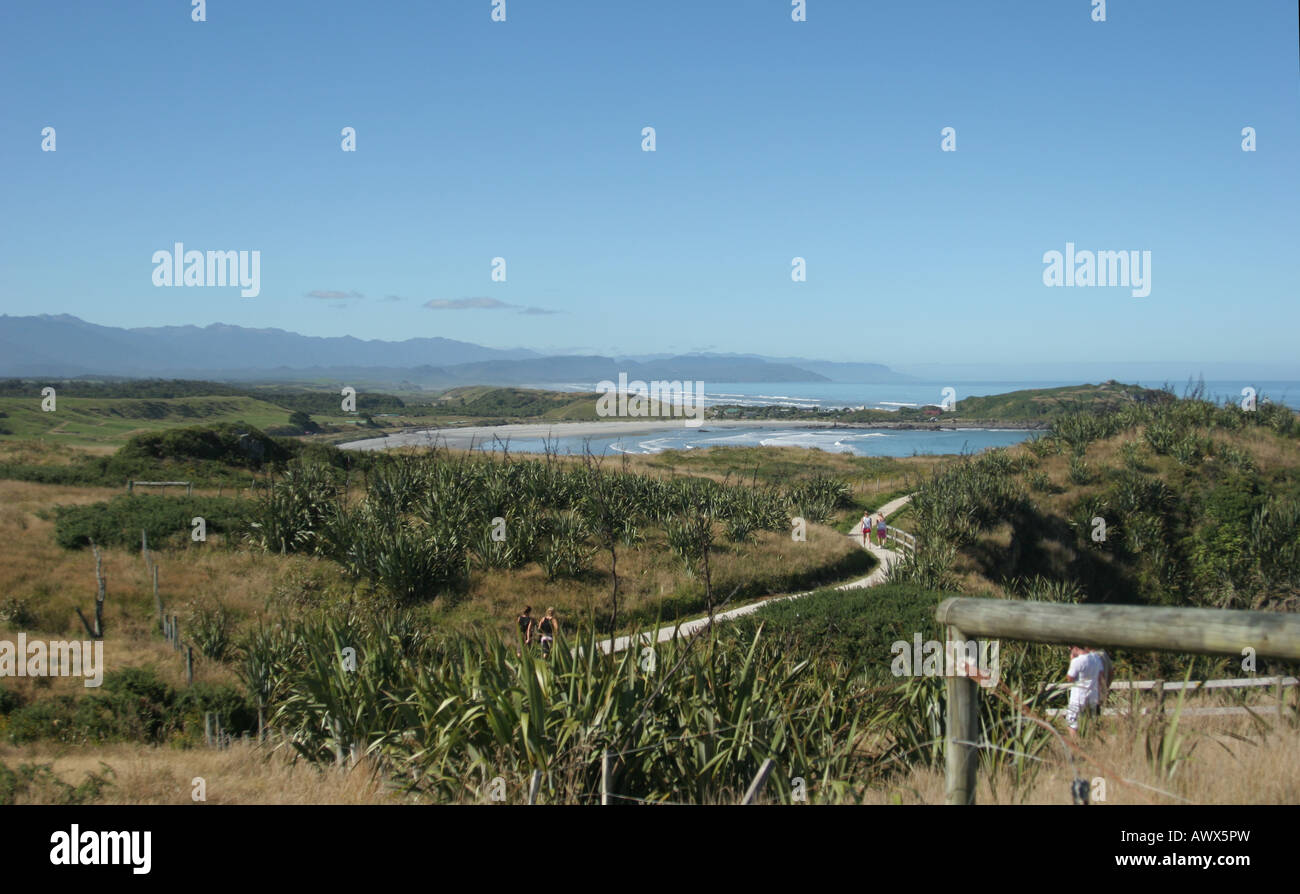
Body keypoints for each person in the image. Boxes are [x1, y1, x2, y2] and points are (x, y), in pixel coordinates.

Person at [1065, 645, 1105, 737]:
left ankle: (1075, 745)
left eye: (1070, 648)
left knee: (1072, 724)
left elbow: (1069, 678)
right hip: (1093, 696)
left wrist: (1071, 659)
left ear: (1075, 648)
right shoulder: (1096, 658)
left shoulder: (1077, 661)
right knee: (1090, 722)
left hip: (1078, 696)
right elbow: (1101, 676)